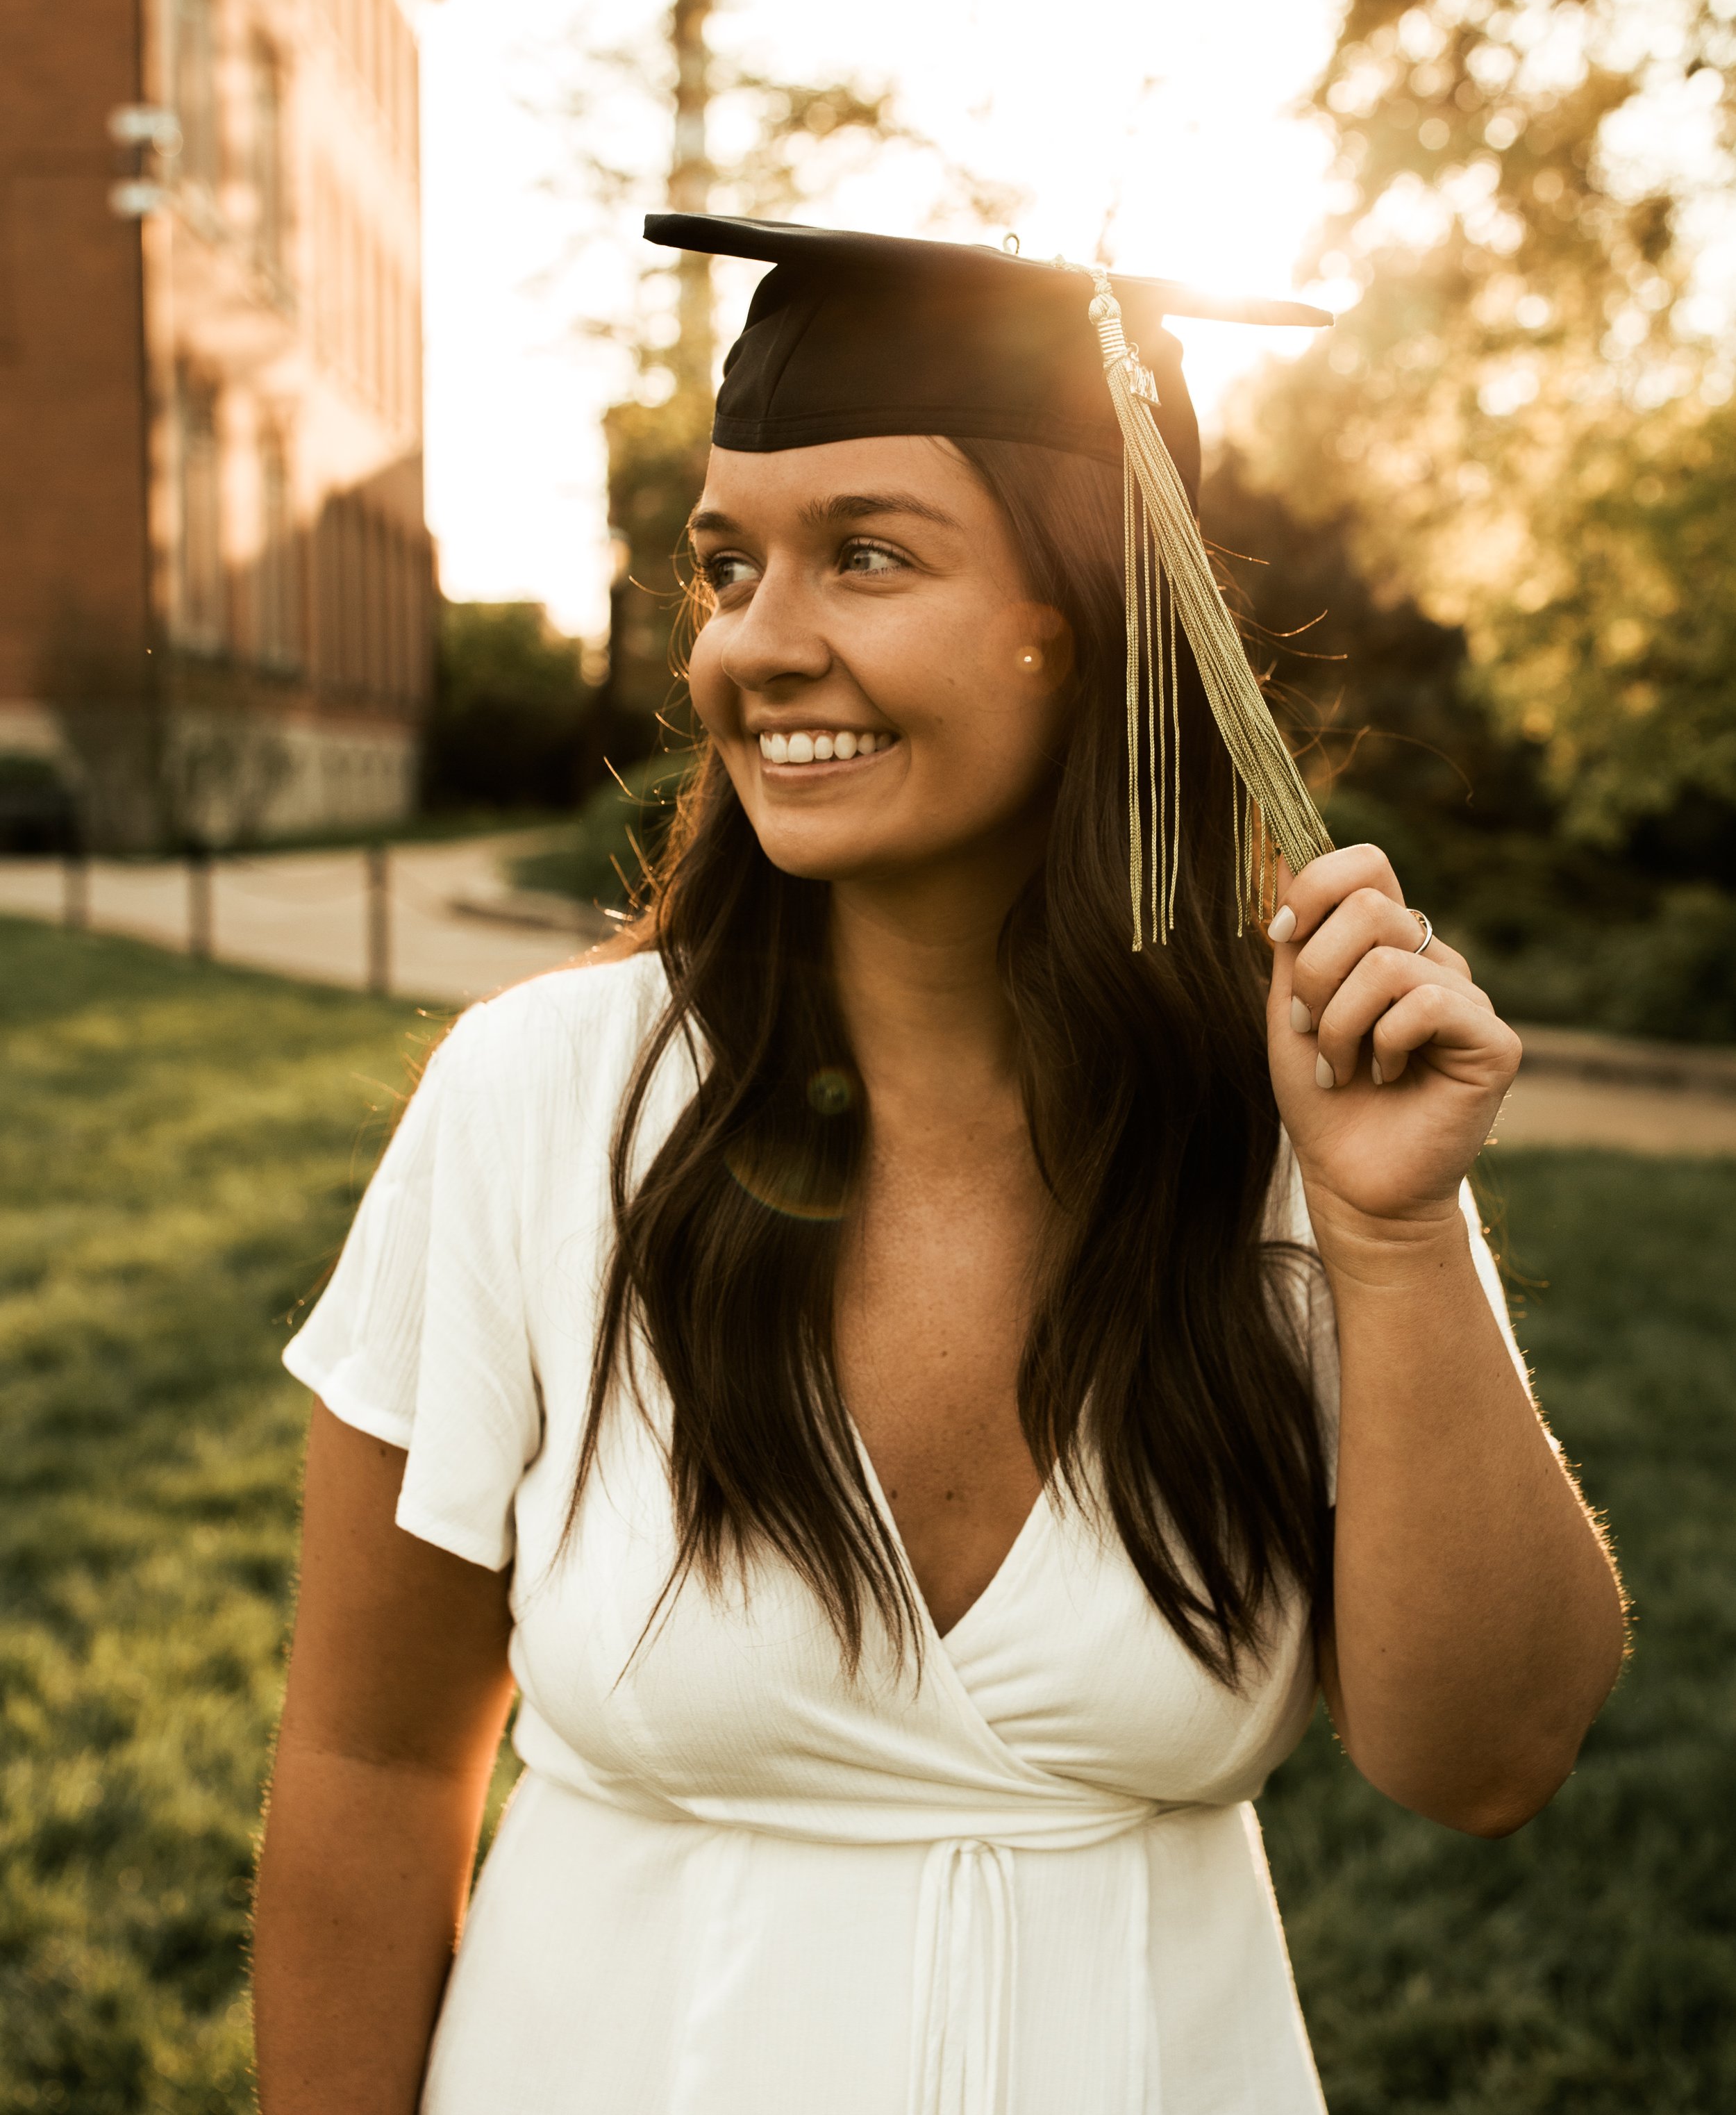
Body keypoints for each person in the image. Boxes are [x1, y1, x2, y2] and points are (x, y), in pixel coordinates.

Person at [252, 219, 1626, 2115]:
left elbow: (1484, 1759)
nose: (756, 642)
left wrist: (1390, 1231)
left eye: (865, 554)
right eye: (727, 564)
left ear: (1077, 616)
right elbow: (368, 1766)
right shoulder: (539, 1102)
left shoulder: (1293, 1114)